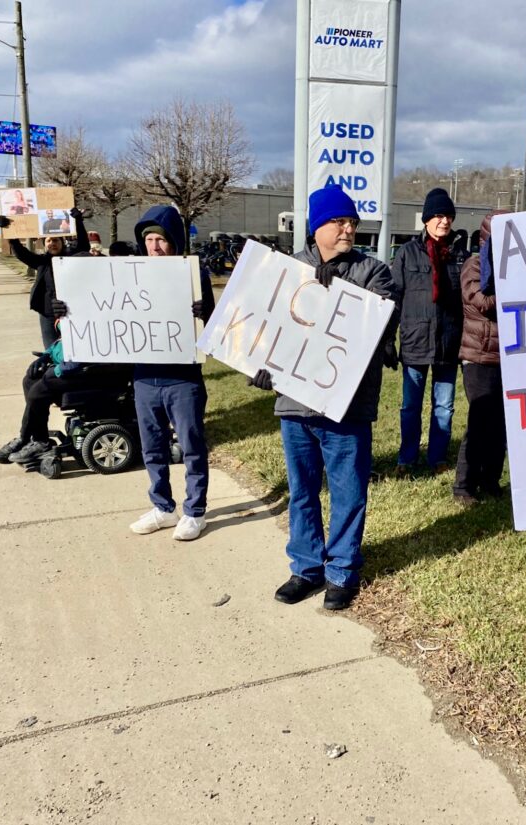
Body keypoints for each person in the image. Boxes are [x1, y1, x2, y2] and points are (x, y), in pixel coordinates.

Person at [248, 185, 398, 610]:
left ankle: (341, 572)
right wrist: (261, 366)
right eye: (338, 221)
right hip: (295, 406)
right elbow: (268, 327)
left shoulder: (373, 272)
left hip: (345, 408)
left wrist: (335, 297)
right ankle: (306, 567)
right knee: (302, 491)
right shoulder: (289, 271)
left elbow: (379, 326)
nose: (348, 228)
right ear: (317, 228)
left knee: (348, 492)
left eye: (351, 222)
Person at [117, 205, 215, 542]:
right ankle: (162, 506)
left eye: (162, 240)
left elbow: (213, 328)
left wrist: (207, 312)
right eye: (150, 240)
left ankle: (194, 510)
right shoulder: (129, 277)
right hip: (144, 377)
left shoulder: (194, 274)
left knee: (191, 445)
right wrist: (66, 310)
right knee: (152, 447)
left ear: (174, 243)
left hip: (183, 379)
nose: (155, 247)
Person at [391, 188, 467, 474]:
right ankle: (406, 458)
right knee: (411, 406)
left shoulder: (461, 254)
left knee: (444, 407)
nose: (444, 221)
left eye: (448, 215)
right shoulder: (407, 253)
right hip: (415, 342)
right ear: (426, 220)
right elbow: (394, 297)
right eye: (437, 215)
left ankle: (437, 458)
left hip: (448, 343)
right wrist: (387, 338)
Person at [0, 335, 131, 466]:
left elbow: (85, 352)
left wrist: (58, 369)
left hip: (97, 371)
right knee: (30, 380)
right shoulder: (71, 314)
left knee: (38, 391)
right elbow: (63, 340)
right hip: (72, 364)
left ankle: (38, 441)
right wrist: (47, 355)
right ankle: (32, 437)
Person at [451, 211, 507, 506]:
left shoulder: (517, 267)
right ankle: (464, 486)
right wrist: (515, 292)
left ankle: (491, 480)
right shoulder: (474, 265)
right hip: (478, 356)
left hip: (507, 358)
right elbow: (482, 302)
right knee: (479, 422)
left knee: (501, 425)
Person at [0, 207, 89, 347]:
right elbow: (21, 253)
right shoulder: (41, 262)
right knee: (51, 349)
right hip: (48, 313)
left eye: (56, 240)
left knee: (75, 347)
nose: (52, 243)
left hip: (71, 310)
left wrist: (78, 221)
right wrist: (9, 232)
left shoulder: (72, 257)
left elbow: (84, 246)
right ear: (45, 244)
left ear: (62, 242)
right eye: (49, 241)